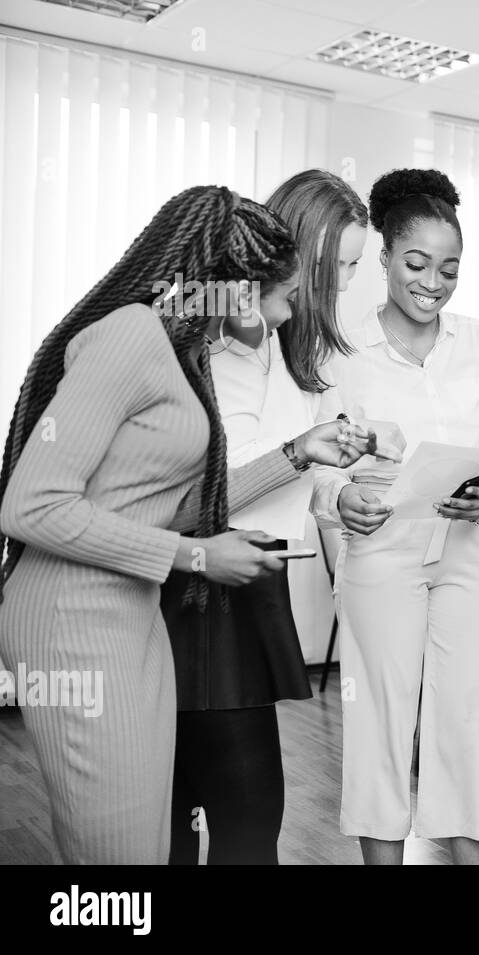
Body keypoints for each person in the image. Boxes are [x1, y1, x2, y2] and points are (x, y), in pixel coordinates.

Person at [0, 186, 347, 863]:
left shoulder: (179, 348)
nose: (298, 306)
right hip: (74, 621)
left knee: (150, 847)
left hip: (131, 611)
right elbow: (30, 506)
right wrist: (195, 558)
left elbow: (177, 504)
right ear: (239, 291)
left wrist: (294, 455)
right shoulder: (130, 334)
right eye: (287, 292)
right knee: (119, 856)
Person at [164, 170, 372, 865]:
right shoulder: (233, 337)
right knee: (239, 818)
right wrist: (300, 450)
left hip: (253, 583)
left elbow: (298, 477)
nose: (343, 282)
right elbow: (209, 485)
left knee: (225, 814)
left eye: (352, 267)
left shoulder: (291, 346)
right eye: (338, 264)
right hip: (208, 591)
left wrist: (340, 493)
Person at [312, 168, 479, 866]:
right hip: (383, 554)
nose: (433, 281)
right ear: (386, 259)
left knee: (464, 721)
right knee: (383, 723)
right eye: (418, 263)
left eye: (450, 268)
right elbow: (318, 465)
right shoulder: (339, 350)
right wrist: (341, 499)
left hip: (465, 554)